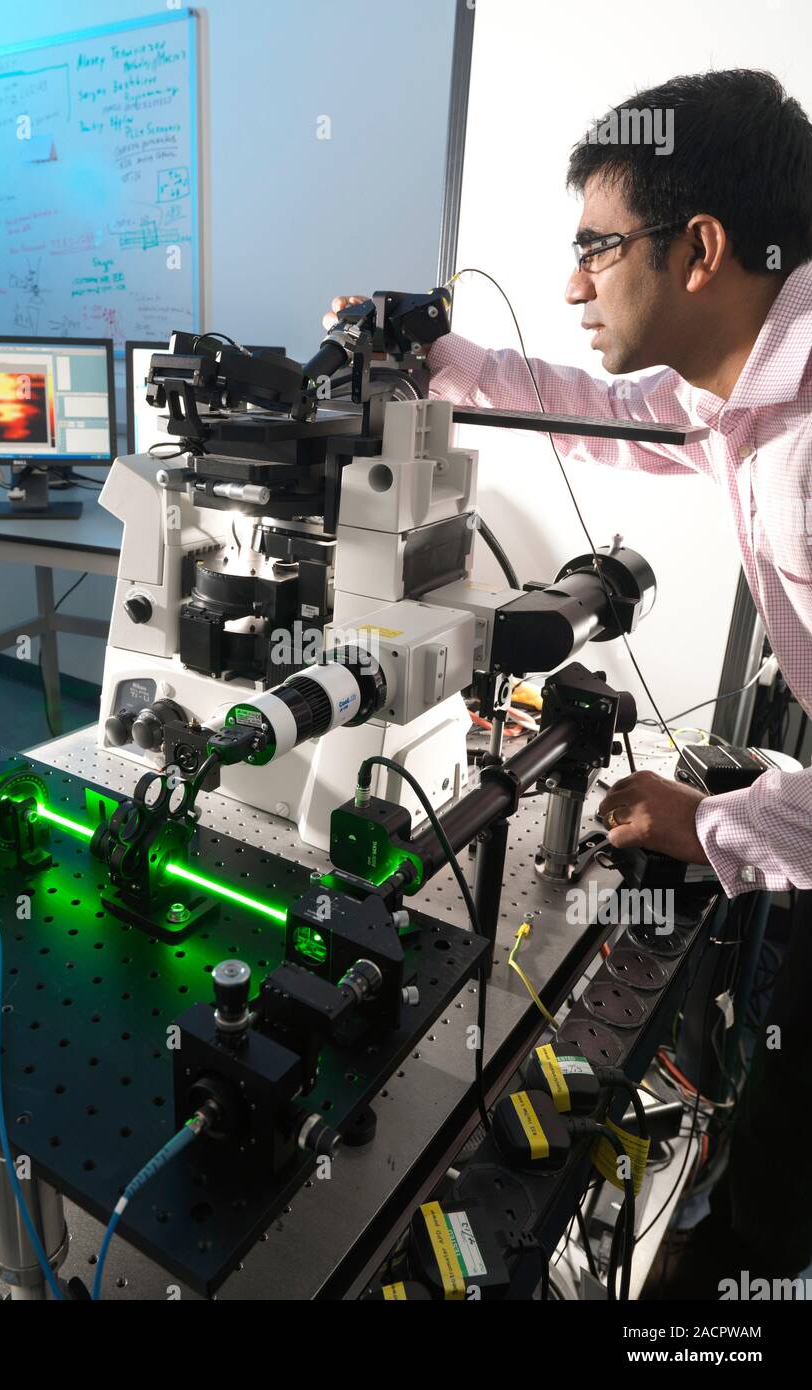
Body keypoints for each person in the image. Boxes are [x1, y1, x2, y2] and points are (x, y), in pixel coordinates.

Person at [327, 68, 812, 1296]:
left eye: (595, 248)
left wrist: (720, 824)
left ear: (699, 248)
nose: (568, 283)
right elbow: (605, 412)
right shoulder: (746, 389)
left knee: (757, 1226)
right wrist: (436, 358)